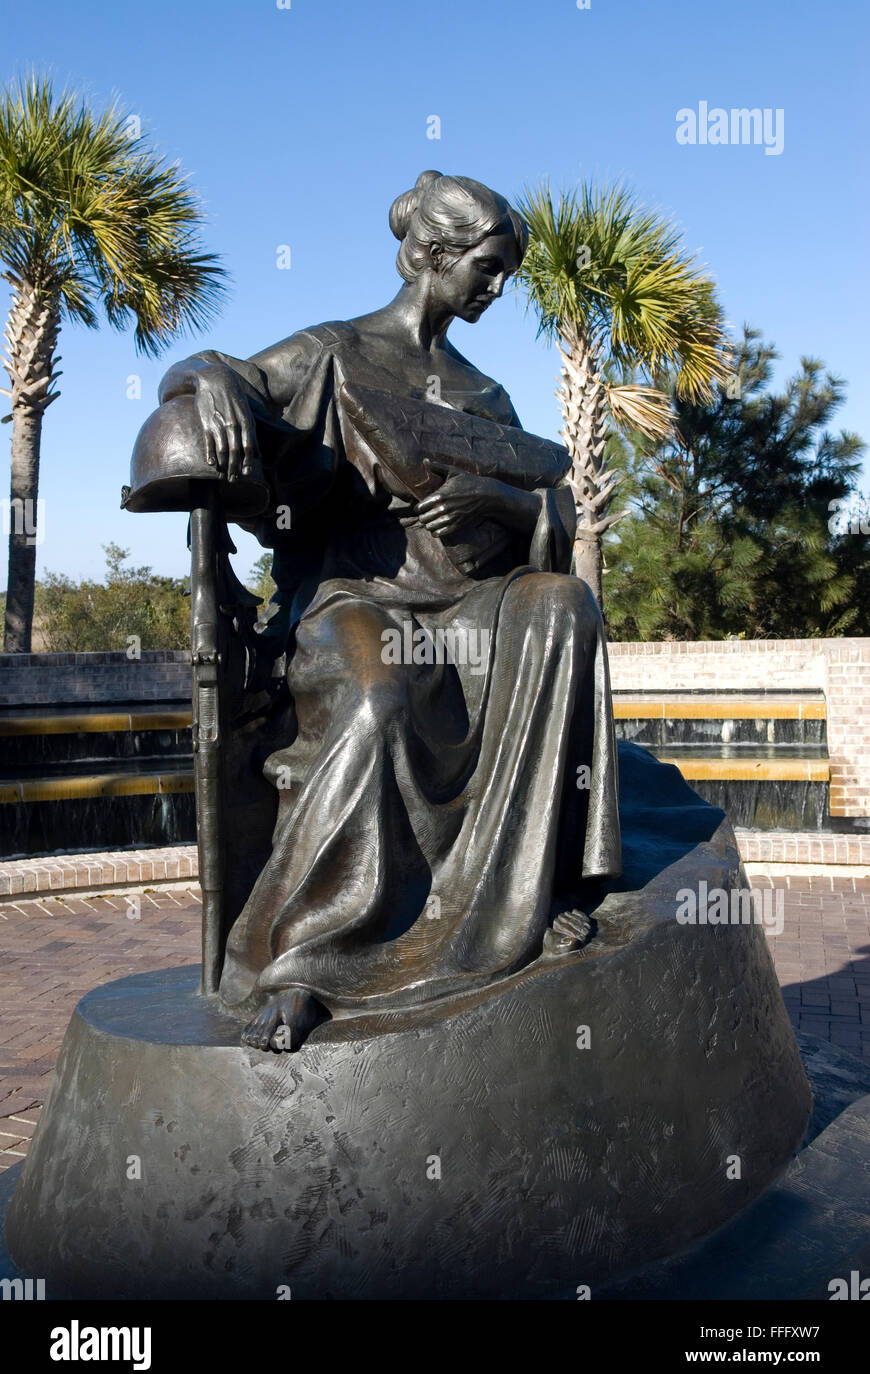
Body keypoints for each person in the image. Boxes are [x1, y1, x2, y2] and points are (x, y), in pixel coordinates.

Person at [158, 171, 622, 1050]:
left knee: (562, 607)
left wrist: (506, 503)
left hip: (474, 600)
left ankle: (529, 893)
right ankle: (307, 964)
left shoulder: (485, 396)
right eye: (484, 267)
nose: (495, 287)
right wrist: (204, 383)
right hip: (359, 595)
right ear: (430, 255)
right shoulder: (336, 352)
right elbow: (214, 372)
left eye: (503, 274)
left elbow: (547, 511)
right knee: (380, 700)